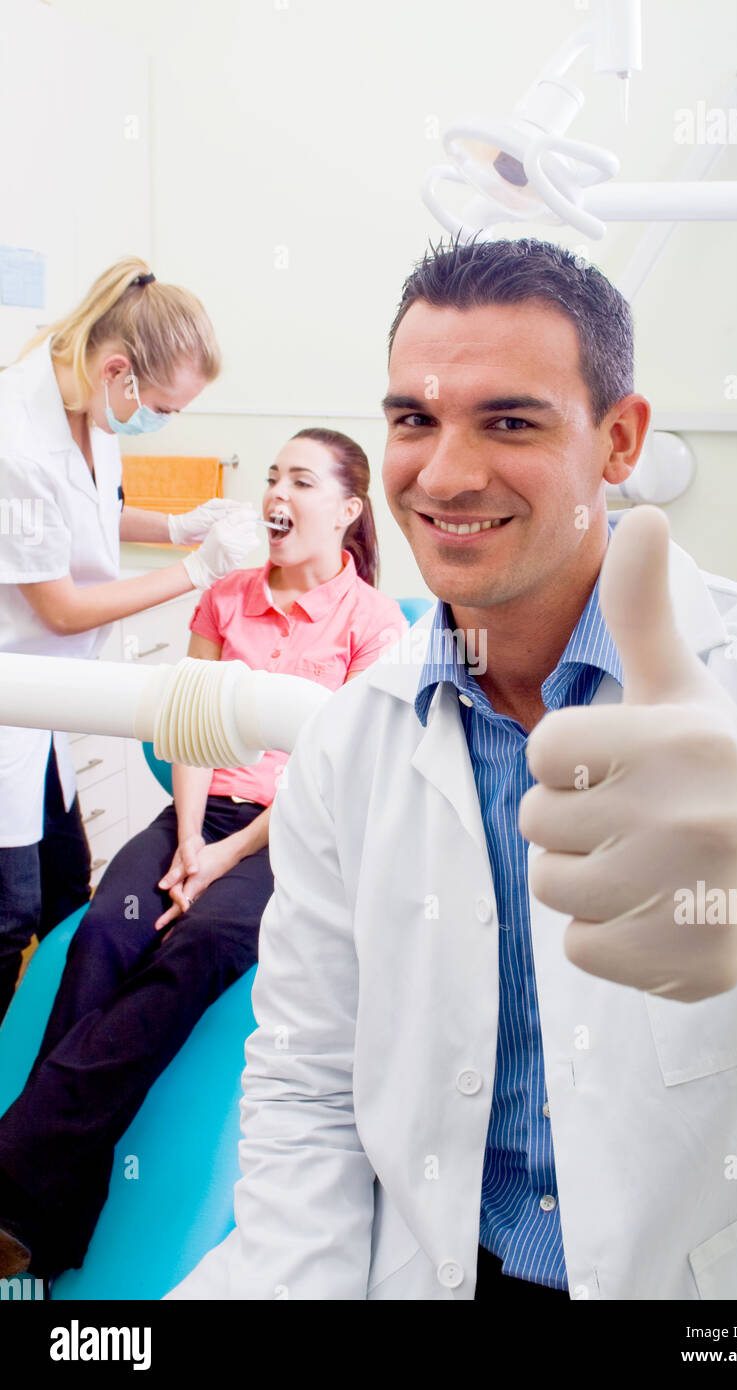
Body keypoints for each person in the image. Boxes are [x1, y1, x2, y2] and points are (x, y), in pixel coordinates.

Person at [160, 237, 737, 1301]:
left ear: (617, 439)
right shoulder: (350, 741)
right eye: (413, 420)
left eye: (509, 421)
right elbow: (307, 1079)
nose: (443, 473)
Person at [0, 427, 407, 1280]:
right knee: (105, 933)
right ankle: (44, 1222)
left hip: (289, 833)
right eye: (271, 475)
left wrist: (222, 862)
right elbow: (186, 727)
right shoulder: (226, 597)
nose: (276, 494)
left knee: (201, 947)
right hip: (197, 814)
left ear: (347, 511)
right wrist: (187, 840)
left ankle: (11, 1176)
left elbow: (334, 774)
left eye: (300, 479)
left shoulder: (372, 624)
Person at [0, 256, 259, 1022]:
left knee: (64, 889)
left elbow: (92, 511)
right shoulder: (17, 438)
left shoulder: (85, 404)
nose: (164, 424)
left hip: (44, 702)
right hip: (18, 681)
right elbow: (62, 609)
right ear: (120, 371)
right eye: (166, 409)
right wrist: (196, 570)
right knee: (9, 917)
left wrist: (174, 524)